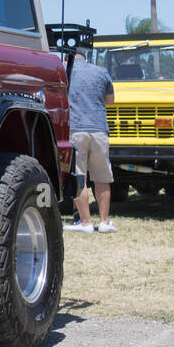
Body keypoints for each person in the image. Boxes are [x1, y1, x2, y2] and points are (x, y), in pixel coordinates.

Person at [64, 48, 117, 233]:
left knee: (80, 178)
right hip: (99, 129)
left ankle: (85, 223)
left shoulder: (65, 71)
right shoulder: (101, 71)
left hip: (76, 129)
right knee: (102, 178)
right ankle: (104, 222)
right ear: (86, 57)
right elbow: (110, 100)